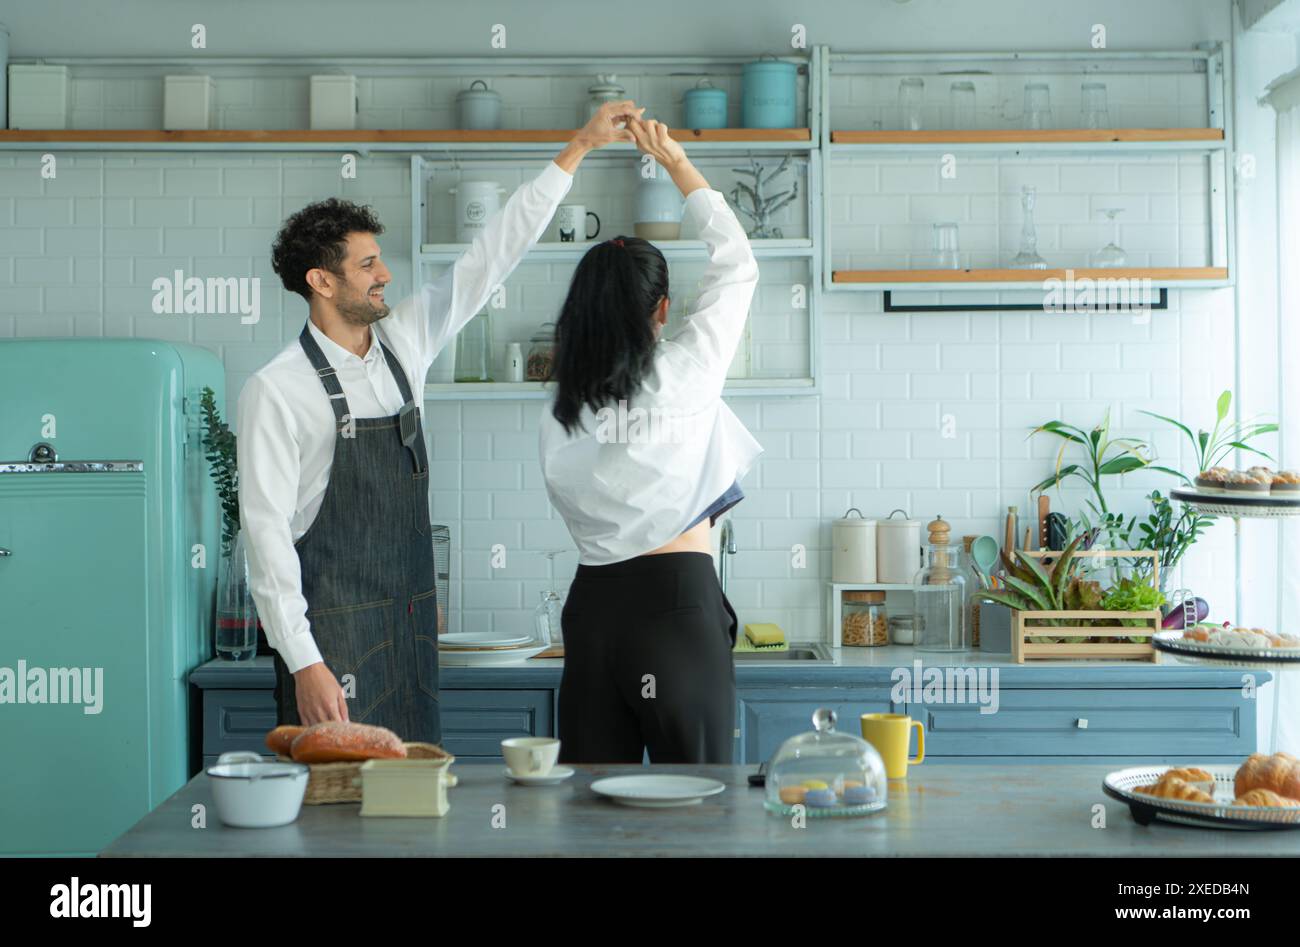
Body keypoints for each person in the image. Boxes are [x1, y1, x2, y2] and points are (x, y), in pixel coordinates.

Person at [237, 100, 644, 742]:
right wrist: (304, 661)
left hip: (413, 634)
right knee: (331, 821)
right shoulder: (276, 389)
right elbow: (265, 540)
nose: (386, 275)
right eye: (367, 264)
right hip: (331, 644)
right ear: (320, 280)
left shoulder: (405, 343)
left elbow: (491, 257)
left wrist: (578, 150)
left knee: (411, 810)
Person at [538, 118, 762, 764]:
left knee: (591, 813)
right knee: (698, 809)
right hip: (675, 605)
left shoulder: (559, 404)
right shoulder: (685, 371)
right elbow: (737, 265)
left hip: (592, 613)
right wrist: (678, 163)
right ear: (663, 309)